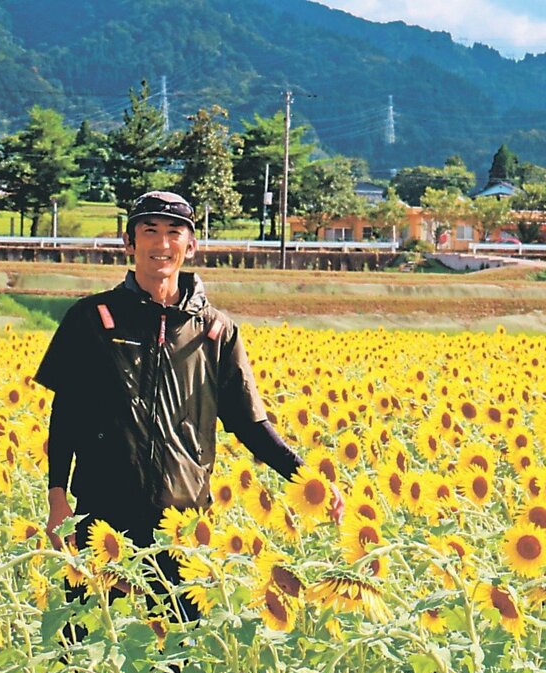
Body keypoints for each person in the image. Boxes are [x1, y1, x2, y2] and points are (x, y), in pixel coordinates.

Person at [34, 190, 342, 621]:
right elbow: (67, 414)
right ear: (129, 243)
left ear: (191, 245)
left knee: (174, 658)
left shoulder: (217, 331)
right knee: (82, 646)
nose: (162, 244)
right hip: (100, 517)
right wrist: (57, 497)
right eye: (150, 231)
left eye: (174, 233)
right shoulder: (91, 318)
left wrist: (307, 477)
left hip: (181, 524)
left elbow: (250, 424)